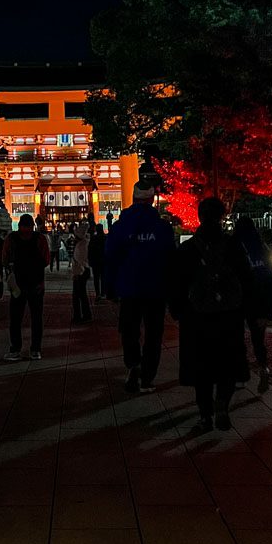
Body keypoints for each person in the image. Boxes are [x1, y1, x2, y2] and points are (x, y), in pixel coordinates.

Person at [169, 196, 253, 434]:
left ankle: (205, 416)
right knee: (227, 365)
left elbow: (175, 284)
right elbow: (247, 280)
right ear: (221, 216)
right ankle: (222, 404)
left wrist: (178, 311)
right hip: (229, 316)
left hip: (197, 318)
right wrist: (246, 310)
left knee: (202, 370)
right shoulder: (233, 246)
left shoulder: (187, 249)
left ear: (199, 217)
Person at [103, 160, 175, 394]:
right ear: (152, 200)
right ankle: (147, 375)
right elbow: (170, 260)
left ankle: (133, 364)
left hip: (129, 288)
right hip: (156, 289)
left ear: (133, 199)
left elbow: (110, 257)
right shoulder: (163, 228)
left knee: (130, 330)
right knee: (154, 334)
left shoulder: (121, 226)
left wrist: (110, 288)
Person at [233, 216, 272, 392]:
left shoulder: (235, 248)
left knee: (238, 340)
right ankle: (263, 367)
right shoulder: (262, 249)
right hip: (259, 302)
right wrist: (269, 312)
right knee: (258, 340)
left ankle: (241, 376)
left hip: (239, 301)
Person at [1, 214, 50, 361]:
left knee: (16, 318)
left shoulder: (11, 239)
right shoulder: (40, 239)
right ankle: (35, 350)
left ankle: (15, 349)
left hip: (19, 283)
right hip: (36, 282)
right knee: (36, 318)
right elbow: (46, 260)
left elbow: (4, 258)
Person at [70, 222, 92, 323]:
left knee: (78, 295)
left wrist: (76, 274)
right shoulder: (84, 243)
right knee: (81, 295)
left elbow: (80, 262)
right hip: (82, 272)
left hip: (80, 273)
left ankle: (79, 316)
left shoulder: (81, 246)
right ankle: (85, 314)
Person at [87, 222, 106, 302]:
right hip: (104, 261)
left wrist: (90, 260)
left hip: (95, 261)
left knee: (96, 278)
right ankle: (103, 293)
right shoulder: (105, 238)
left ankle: (97, 293)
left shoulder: (93, 238)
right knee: (103, 278)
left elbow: (90, 250)